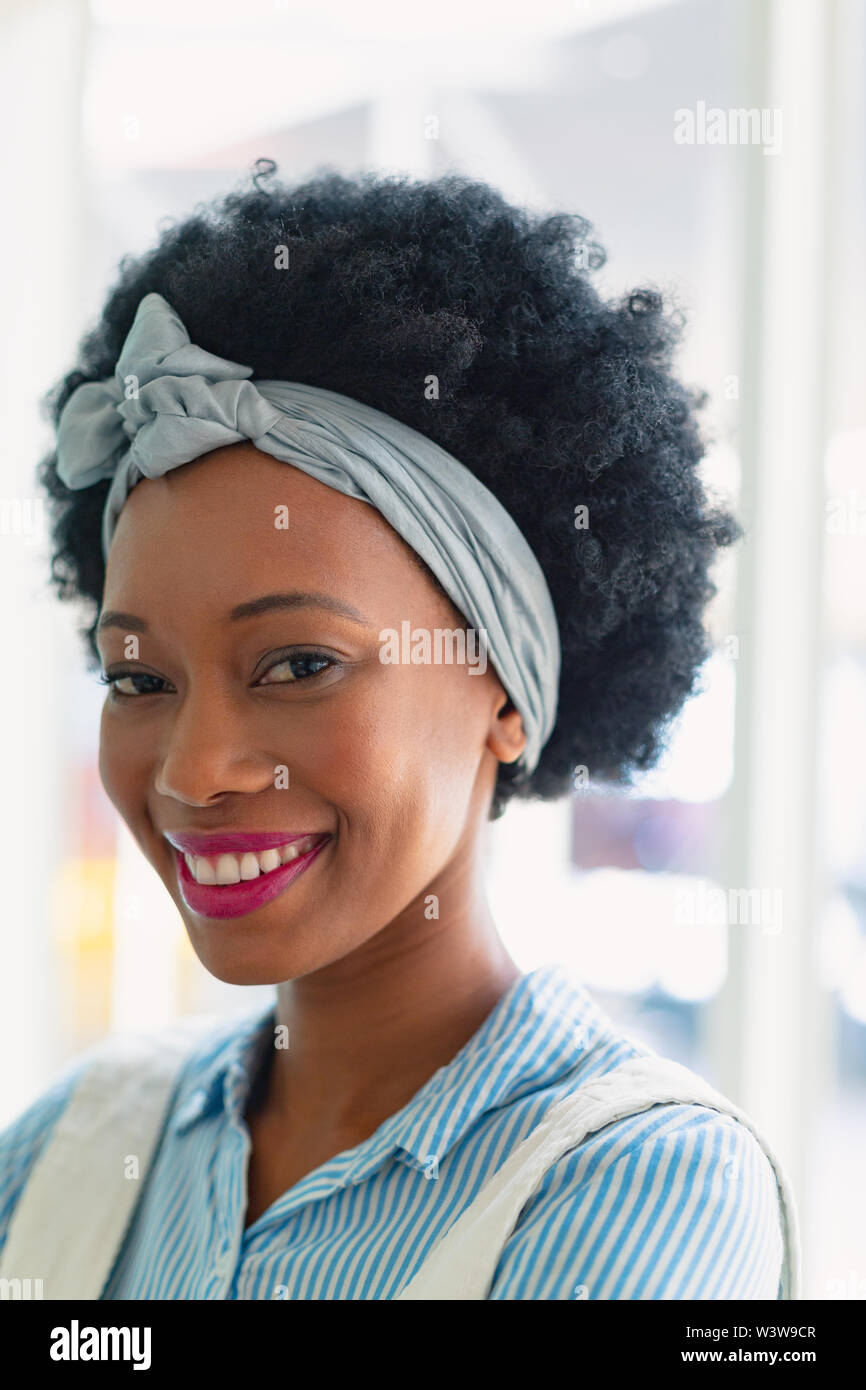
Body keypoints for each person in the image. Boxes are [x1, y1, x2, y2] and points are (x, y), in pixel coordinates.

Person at [0, 162, 793, 1299]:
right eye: (138, 680)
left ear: (503, 691)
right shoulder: (68, 1147)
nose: (193, 772)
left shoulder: (636, 1185)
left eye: (300, 664)